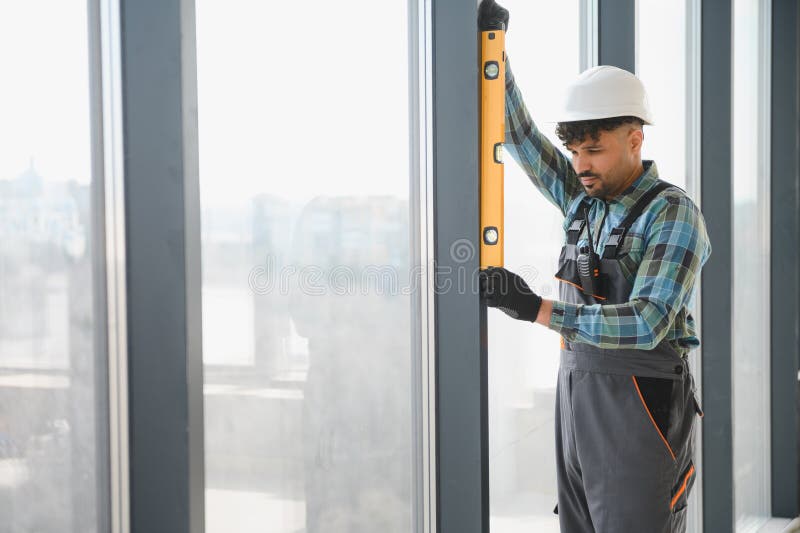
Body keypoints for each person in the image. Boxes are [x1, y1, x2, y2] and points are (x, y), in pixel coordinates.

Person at [477, 1, 711, 532]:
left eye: (595, 150)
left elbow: (648, 320)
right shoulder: (585, 200)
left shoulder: (673, 214)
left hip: (643, 412)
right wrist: (494, 45)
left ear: (635, 139)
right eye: (576, 150)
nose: (581, 165)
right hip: (577, 401)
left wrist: (534, 308)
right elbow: (518, 136)